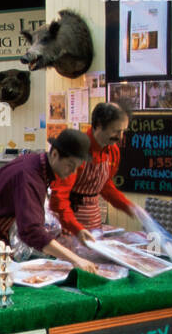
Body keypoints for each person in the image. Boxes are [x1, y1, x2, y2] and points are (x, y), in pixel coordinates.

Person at [0, 129, 99, 274]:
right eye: (70, 165)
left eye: (77, 167)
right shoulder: (29, 175)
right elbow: (31, 231)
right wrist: (75, 259)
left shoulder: (37, 163)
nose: (73, 172)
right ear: (55, 154)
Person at [49, 101, 136, 242]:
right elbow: (59, 198)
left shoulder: (113, 151)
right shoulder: (77, 149)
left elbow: (105, 186)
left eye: (123, 131)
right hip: (68, 222)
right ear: (99, 125)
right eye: (116, 131)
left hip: (94, 220)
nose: (120, 137)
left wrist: (129, 207)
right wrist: (76, 228)